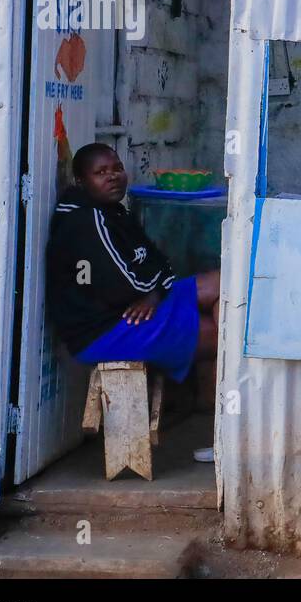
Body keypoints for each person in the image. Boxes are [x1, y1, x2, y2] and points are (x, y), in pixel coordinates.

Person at [46, 143, 219, 458]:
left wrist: (153, 291)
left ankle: (221, 421)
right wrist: (150, 288)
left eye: (116, 168)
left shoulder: (115, 212)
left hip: (134, 310)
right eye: (101, 173)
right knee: (224, 334)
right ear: (82, 182)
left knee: (225, 283)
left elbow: (160, 263)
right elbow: (127, 283)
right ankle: (229, 432)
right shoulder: (86, 221)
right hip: (107, 330)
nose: (113, 177)